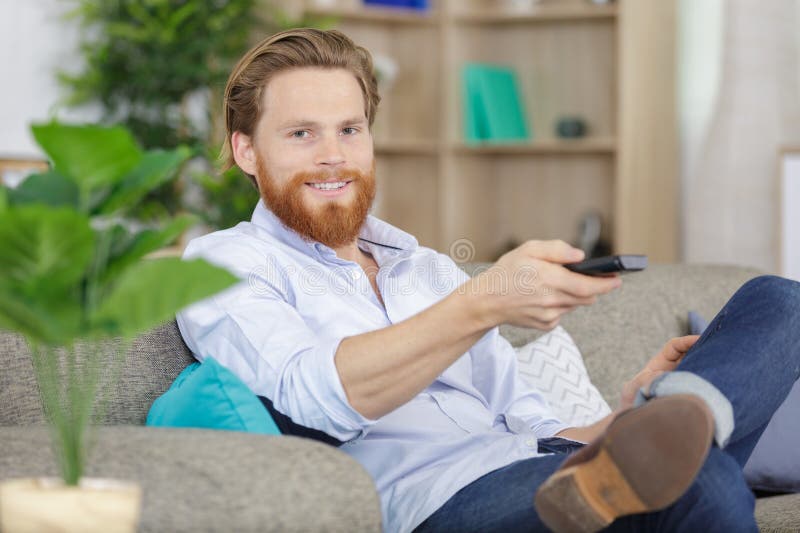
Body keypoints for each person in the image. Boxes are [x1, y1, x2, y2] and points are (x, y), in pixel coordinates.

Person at [176, 28, 800, 532]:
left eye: (349, 129)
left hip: (545, 471)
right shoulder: (223, 265)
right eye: (301, 133)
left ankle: (682, 416)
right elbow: (314, 397)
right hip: (437, 503)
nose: (333, 154)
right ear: (246, 152)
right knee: (704, 481)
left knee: (779, 300)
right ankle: (678, 439)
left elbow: (528, 430)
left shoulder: (425, 269)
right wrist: (486, 299)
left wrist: (633, 411)